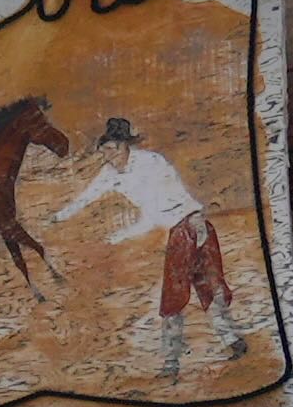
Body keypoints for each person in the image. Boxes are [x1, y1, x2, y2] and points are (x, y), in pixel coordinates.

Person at [63, 117, 234, 371]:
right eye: (104, 151)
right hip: (182, 228)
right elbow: (87, 196)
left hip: (189, 225)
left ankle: (177, 359)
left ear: (124, 146)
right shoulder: (110, 174)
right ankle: (223, 343)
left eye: (111, 150)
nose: (108, 157)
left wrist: (122, 235)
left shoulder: (151, 163)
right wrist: (59, 216)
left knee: (196, 289)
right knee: (190, 289)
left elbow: (160, 209)